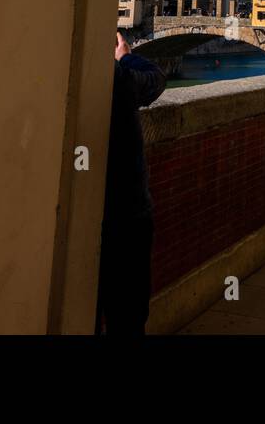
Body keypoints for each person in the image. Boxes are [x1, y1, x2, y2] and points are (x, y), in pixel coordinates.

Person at [96, 31, 167, 335]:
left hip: (92, 218)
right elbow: (155, 80)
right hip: (127, 215)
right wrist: (125, 55)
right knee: (127, 317)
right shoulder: (116, 79)